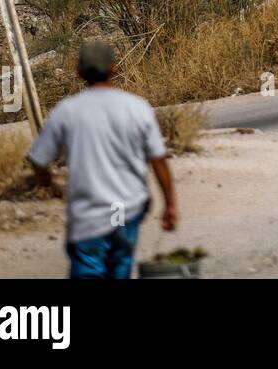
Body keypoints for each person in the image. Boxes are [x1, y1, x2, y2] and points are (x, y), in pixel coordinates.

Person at [27, 41, 177, 279]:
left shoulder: (67, 111)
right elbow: (158, 159)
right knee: (120, 267)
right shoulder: (137, 107)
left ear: (79, 72)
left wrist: (49, 183)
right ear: (114, 68)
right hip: (124, 212)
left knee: (88, 268)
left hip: (88, 215)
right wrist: (170, 204)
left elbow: (38, 158)